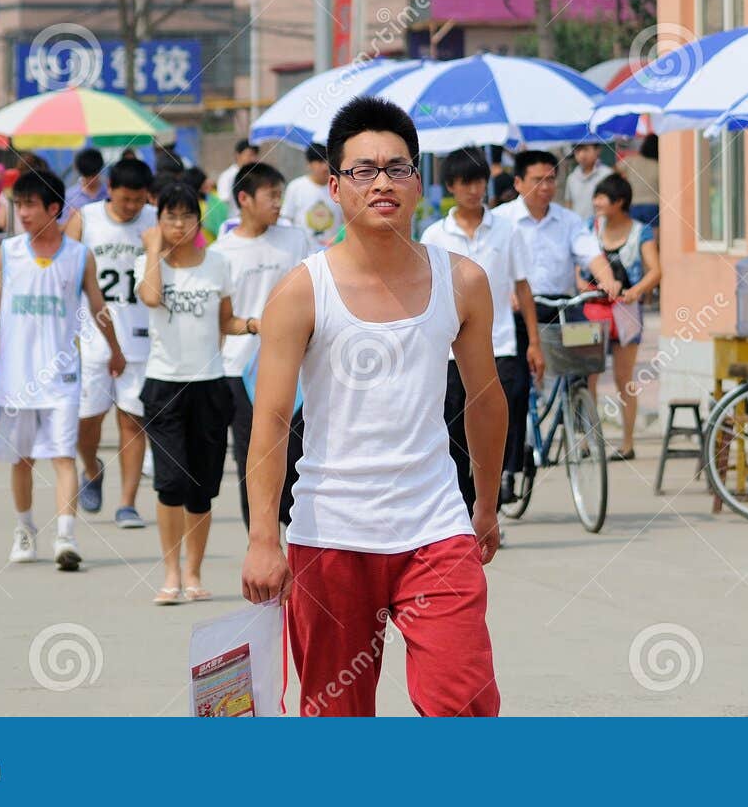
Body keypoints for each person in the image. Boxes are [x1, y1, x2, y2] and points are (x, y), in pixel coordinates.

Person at [241, 97, 504, 717]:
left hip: (436, 528)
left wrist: (485, 504)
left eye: (397, 167)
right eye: (362, 170)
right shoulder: (302, 291)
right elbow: (273, 421)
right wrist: (261, 538)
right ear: (334, 185)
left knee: (462, 702)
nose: (381, 182)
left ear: (418, 182)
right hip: (330, 534)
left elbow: (485, 398)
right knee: (338, 717)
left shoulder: (462, 281)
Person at [0, 166, 126, 572]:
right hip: (16, 379)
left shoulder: (78, 256)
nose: (22, 212)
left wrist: (115, 350)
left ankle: (66, 536)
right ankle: (24, 529)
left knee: (62, 455)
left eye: (30, 205)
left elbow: (98, 307)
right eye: (18, 204)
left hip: (62, 376)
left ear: (54, 208)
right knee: (21, 460)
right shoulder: (10, 253)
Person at [137, 182, 255, 604]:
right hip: (163, 384)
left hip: (210, 387)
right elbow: (150, 297)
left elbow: (226, 321)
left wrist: (256, 324)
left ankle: (193, 572)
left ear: (198, 219)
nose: (179, 224)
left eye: (187, 215)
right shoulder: (148, 264)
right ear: (159, 220)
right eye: (170, 216)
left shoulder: (217, 264)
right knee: (170, 483)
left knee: (202, 487)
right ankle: (170, 573)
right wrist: (154, 250)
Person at [422, 147, 543, 511]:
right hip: (449, 349)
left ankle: (501, 480)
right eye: (465, 183)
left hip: (501, 341)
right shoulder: (434, 235)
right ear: (451, 187)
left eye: (479, 182)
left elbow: (522, 286)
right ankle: (466, 505)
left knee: (505, 411)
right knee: (455, 429)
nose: (474, 190)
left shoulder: (507, 230)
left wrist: (534, 341)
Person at [209, 161, 309, 530]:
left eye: (281, 195)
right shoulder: (221, 252)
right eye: (271, 196)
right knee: (253, 456)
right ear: (244, 199)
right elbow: (221, 319)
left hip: (293, 368)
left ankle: (296, 534)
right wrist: (254, 327)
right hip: (239, 369)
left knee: (297, 454)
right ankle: (262, 540)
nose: (278, 203)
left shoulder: (295, 239)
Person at [65, 157, 156, 529]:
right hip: (92, 338)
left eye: (138, 200)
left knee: (133, 420)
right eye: (124, 199)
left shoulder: (155, 221)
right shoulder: (86, 219)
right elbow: (64, 271)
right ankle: (91, 468)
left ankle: (128, 503)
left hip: (141, 335)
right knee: (88, 420)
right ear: (110, 191)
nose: (131, 206)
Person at [496, 151, 620, 382]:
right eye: (538, 180)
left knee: (588, 352)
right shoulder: (499, 221)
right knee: (517, 381)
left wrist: (607, 279)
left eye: (551, 180)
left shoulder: (569, 220)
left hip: (563, 306)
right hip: (518, 310)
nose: (545, 187)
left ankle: (580, 403)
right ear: (518, 183)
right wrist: (504, 294)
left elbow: (590, 253)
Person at [585, 173, 660, 461]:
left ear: (619, 202)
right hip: (591, 310)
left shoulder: (641, 232)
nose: (597, 202)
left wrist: (635, 291)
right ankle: (591, 440)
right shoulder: (588, 229)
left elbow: (655, 270)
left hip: (626, 311)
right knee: (589, 376)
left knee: (624, 379)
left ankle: (627, 443)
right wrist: (581, 285)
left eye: (602, 197)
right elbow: (579, 265)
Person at [281, 143, 341, 251]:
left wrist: (338, 238)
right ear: (309, 164)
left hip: (332, 252)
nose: (325, 167)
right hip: (302, 252)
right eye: (320, 162)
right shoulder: (296, 187)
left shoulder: (339, 188)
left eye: (328, 161)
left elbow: (348, 222)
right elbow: (286, 219)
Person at [563, 138, 613, 223]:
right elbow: (568, 204)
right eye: (578, 150)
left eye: (586, 149)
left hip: (602, 228)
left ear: (598, 150)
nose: (582, 155)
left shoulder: (607, 174)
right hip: (578, 228)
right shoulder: (571, 178)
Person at [617, 133, 660, 229]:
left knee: (634, 236)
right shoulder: (658, 165)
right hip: (653, 205)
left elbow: (614, 171)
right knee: (652, 238)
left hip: (633, 204)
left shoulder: (631, 160)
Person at [61, 147, 108, 222]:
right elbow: (61, 229)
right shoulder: (70, 196)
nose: (91, 180)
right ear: (80, 172)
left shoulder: (109, 193)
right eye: (87, 176)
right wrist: (71, 219)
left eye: (94, 175)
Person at [216, 139, 259, 208]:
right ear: (237, 155)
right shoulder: (227, 176)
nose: (253, 159)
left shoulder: (257, 176)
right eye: (250, 155)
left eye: (255, 155)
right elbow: (224, 200)